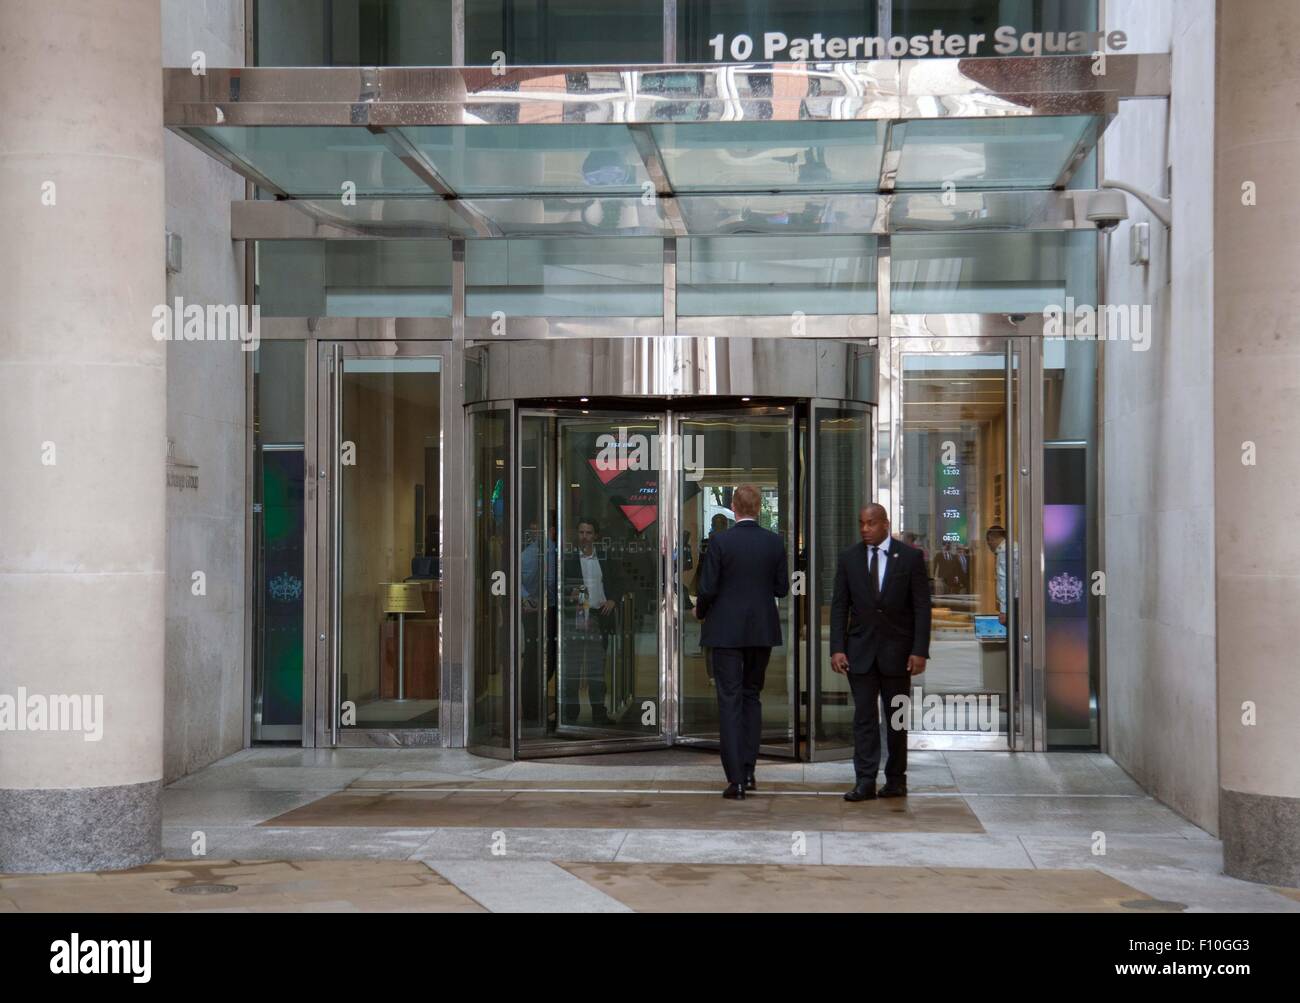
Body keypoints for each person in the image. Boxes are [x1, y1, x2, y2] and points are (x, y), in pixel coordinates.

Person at [830, 503, 931, 801]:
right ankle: (865, 780)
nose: (865, 529)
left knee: (896, 719)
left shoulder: (910, 558)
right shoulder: (849, 558)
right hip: (859, 653)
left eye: (871, 523)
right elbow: (839, 606)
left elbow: (922, 607)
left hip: (898, 655)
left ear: (885, 524)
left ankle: (897, 779)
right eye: (861, 523)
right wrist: (837, 648)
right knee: (863, 719)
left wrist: (919, 650)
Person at [694, 485, 789, 800]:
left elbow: (707, 588)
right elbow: (781, 589)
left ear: (733, 506)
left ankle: (734, 780)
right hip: (760, 631)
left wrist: (701, 611)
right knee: (752, 698)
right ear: (759, 507)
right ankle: (749, 772)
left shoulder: (721, 542)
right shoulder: (774, 543)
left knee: (730, 702)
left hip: (726, 632)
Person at [560, 518, 624, 727]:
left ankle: (599, 713)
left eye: (588, 533)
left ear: (595, 535)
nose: (584, 537)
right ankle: (570, 715)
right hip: (575, 617)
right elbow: (560, 587)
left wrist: (613, 599)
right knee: (573, 668)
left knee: (597, 668)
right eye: (581, 532)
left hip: (598, 616)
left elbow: (618, 581)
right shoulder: (568, 559)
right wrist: (572, 598)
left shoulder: (605, 558)